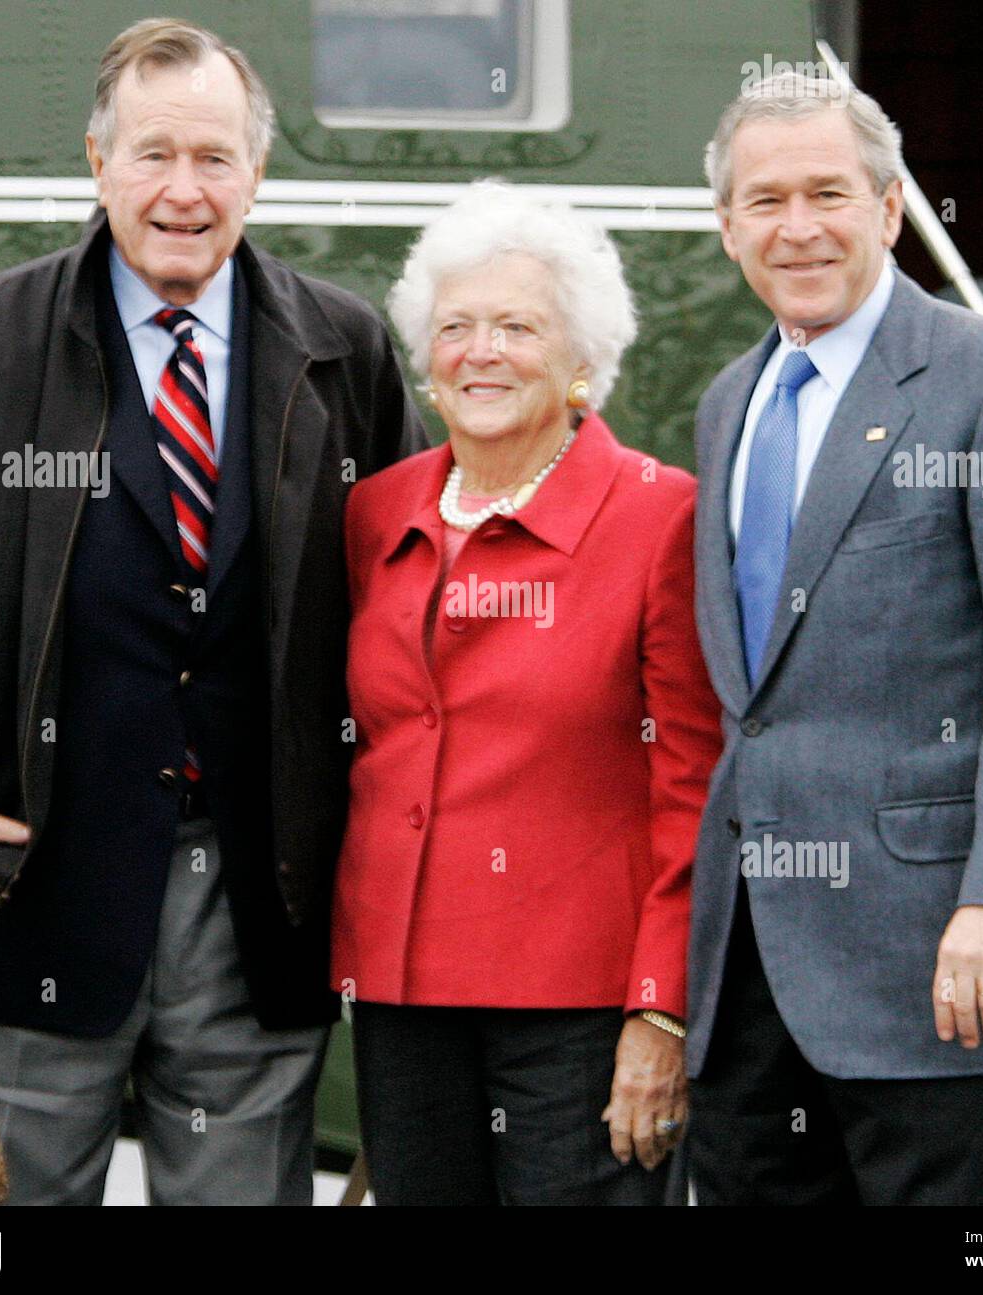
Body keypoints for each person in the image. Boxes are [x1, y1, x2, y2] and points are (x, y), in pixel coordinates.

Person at [0, 20, 423, 1205]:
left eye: (215, 158)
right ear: (97, 160)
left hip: (262, 916)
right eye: (154, 154)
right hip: (29, 908)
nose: (185, 190)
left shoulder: (345, 352)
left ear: (257, 175)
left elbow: (406, 622)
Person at [686, 73, 983, 1205]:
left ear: (887, 209)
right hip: (752, 979)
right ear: (727, 225)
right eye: (764, 200)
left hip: (948, 963)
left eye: (827, 192)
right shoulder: (730, 401)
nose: (797, 227)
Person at [333, 180, 724, 1205]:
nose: (482, 350)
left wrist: (661, 1007)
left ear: (582, 361)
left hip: (583, 1007)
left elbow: (697, 781)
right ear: (425, 356)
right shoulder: (377, 513)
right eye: (455, 326)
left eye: (517, 325)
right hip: (404, 993)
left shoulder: (660, 518)